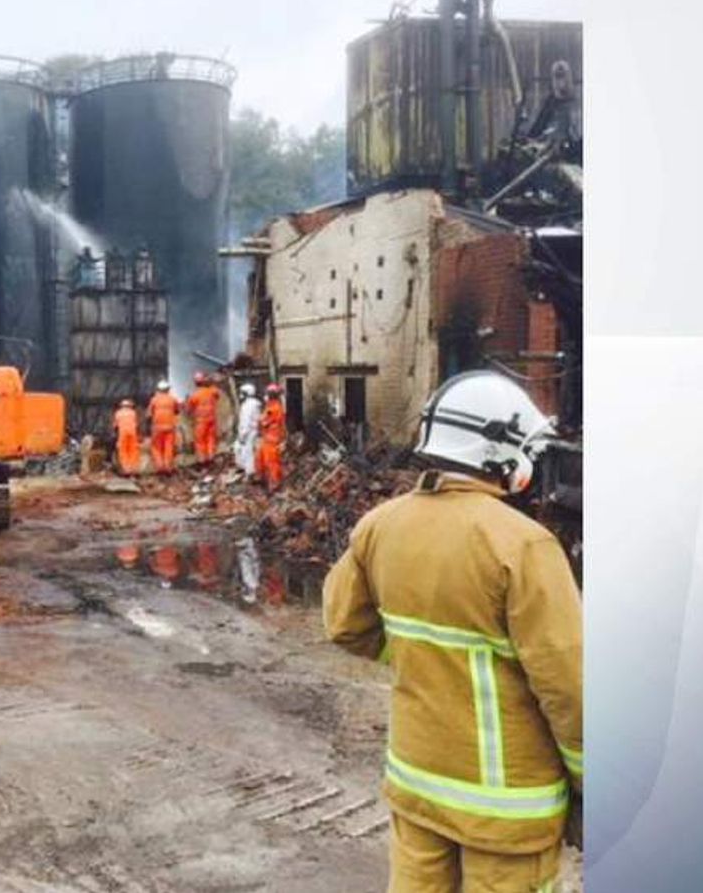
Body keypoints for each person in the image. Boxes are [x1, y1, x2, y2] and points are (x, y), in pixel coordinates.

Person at [322, 371, 582, 893]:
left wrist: (422, 656)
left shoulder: (380, 525)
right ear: (503, 454)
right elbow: (570, 686)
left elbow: (344, 623)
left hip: (417, 785)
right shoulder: (523, 545)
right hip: (507, 807)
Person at [186, 371, 222, 464]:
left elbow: (189, 410)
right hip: (212, 419)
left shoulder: (195, 395)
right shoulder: (211, 391)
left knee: (200, 441)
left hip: (201, 421)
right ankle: (211, 457)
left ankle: (202, 460)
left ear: (195, 383)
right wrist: (211, 383)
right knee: (211, 439)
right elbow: (217, 394)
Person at [255, 383, 287, 489]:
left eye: (267, 394)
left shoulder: (273, 408)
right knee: (261, 459)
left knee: (271, 462)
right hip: (268, 438)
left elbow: (264, 422)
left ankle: (275, 483)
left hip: (271, 439)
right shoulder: (272, 406)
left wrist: (260, 420)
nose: (265, 396)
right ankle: (263, 479)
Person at [147, 380, 180, 473]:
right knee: (168, 446)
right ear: (168, 389)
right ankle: (168, 467)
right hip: (170, 427)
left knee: (156, 447)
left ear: (158, 389)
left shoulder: (154, 399)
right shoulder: (173, 399)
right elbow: (177, 410)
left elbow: (149, 414)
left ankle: (160, 467)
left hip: (157, 427)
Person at [234, 383, 262, 477]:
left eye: (242, 393)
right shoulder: (253, 403)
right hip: (252, 431)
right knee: (245, 450)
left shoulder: (248, 406)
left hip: (248, 431)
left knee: (247, 452)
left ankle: (250, 472)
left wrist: (242, 434)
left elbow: (246, 420)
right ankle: (246, 469)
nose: (241, 394)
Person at [112, 398, 141, 475]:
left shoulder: (118, 413)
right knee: (133, 451)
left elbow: (115, 426)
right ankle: (133, 468)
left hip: (123, 434)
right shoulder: (133, 413)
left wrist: (115, 434)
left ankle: (126, 469)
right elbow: (137, 425)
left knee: (123, 451)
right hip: (133, 434)